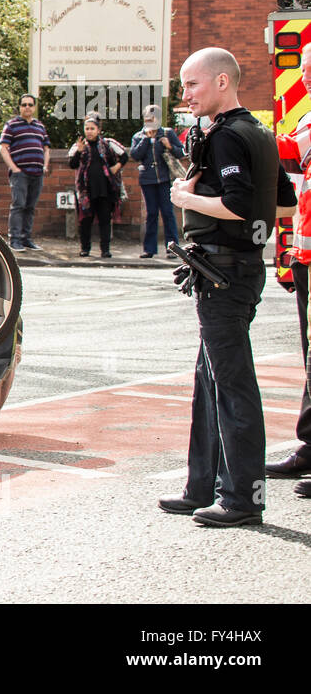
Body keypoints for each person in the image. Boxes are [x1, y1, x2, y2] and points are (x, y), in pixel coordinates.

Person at [158, 47, 297, 527]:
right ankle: (201, 487)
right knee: (209, 379)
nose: (186, 94)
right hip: (237, 269)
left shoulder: (225, 136)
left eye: (192, 84)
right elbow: (285, 204)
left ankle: (241, 499)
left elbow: (238, 205)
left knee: (232, 384)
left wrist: (187, 197)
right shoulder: (259, 132)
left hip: (223, 273)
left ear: (222, 82)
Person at [267, 52, 311, 485]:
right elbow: (289, 158)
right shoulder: (307, 118)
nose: (304, 77)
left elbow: (286, 151)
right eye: (303, 70)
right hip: (305, 258)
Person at [129, 104, 187, 258]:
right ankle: (149, 249)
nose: (150, 122)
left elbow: (181, 152)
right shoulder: (139, 136)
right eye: (147, 119)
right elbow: (135, 155)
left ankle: (172, 248)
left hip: (164, 179)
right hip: (147, 180)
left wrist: (169, 146)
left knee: (168, 212)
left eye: (153, 119)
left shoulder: (167, 133)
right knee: (151, 214)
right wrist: (146, 140)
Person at [67, 113, 127, 258]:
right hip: (86, 191)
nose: (89, 131)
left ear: (98, 130)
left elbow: (124, 156)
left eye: (92, 128)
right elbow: (72, 164)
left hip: (105, 189)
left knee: (105, 220)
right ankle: (85, 248)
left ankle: (105, 250)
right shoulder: (79, 146)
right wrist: (79, 152)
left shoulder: (108, 144)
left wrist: (116, 167)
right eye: (87, 128)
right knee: (85, 221)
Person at [0, 93, 50, 252]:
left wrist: (45, 166)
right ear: (19, 107)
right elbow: (3, 148)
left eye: (30, 105)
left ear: (34, 107)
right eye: (24, 104)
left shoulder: (40, 126)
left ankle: (26, 239)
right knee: (18, 205)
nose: (27, 107)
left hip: (37, 173)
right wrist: (14, 168)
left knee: (30, 207)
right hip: (20, 173)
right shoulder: (11, 125)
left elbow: (46, 149)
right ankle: (15, 240)